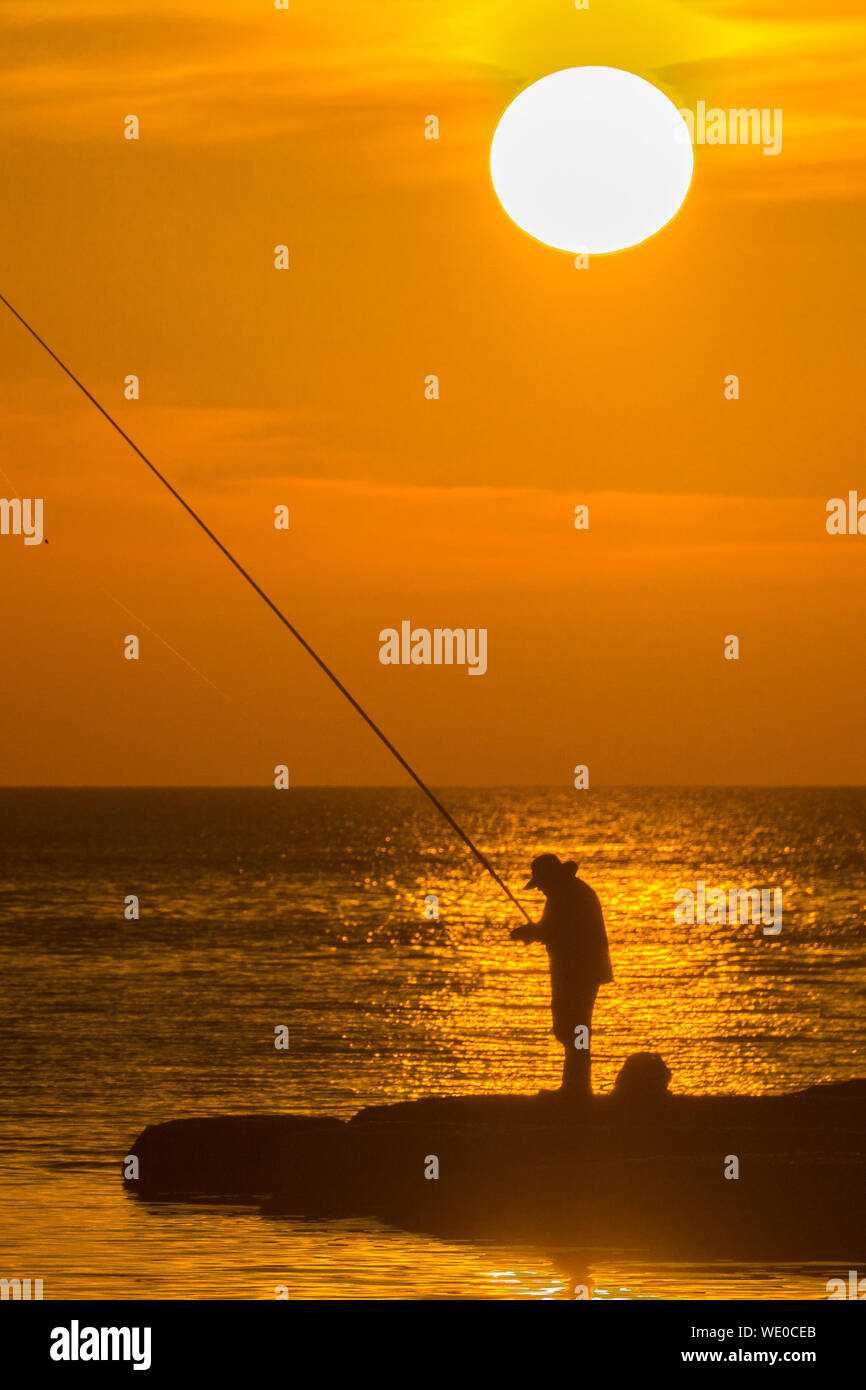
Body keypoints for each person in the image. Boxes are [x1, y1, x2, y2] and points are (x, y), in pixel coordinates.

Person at [510, 853, 613, 1098]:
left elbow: (558, 931)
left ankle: (577, 1087)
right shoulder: (568, 892)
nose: (541, 890)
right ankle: (575, 1084)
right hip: (577, 970)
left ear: (550, 879)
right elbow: (555, 931)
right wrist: (535, 933)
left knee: (575, 1027)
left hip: (578, 972)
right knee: (573, 1027)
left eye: (541, 884)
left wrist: (530, 932)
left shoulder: (568, 896)